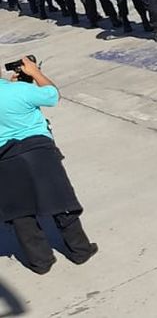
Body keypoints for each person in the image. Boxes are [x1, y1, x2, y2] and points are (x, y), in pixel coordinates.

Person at [0, 57, 100, 274]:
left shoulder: (14, 89)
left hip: (4, 160)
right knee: (60, 201)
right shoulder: (17, 91)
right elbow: (52, 95)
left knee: (21, 213)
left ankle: (41, 262)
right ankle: (80, 250)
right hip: (38, 152)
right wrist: (35, 73)